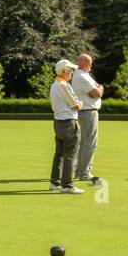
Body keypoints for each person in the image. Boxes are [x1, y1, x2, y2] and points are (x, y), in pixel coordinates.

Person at [49, 60, 84, 194]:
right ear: (64, 72)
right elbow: (75, 105)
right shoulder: (63, 85)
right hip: (68, 122)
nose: (72, 72)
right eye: (70, 70)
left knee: (59, 154)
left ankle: (55, 182)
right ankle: (67, 185)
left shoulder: (54, 84)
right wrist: (80, 103)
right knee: (70, 154)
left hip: (58, 122)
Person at [71, 53, 104, 186]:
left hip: (86, 112)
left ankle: (79, 171)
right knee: (89, 143)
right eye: (90, 63)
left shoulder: (83, 75)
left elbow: (96, 87)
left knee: (84, 142)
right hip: (88, 112)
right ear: (85, 64)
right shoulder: (80, 76)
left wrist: (98, 87)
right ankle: (84, 172)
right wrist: (100, 88)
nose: (91, 66)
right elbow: (97, 92)